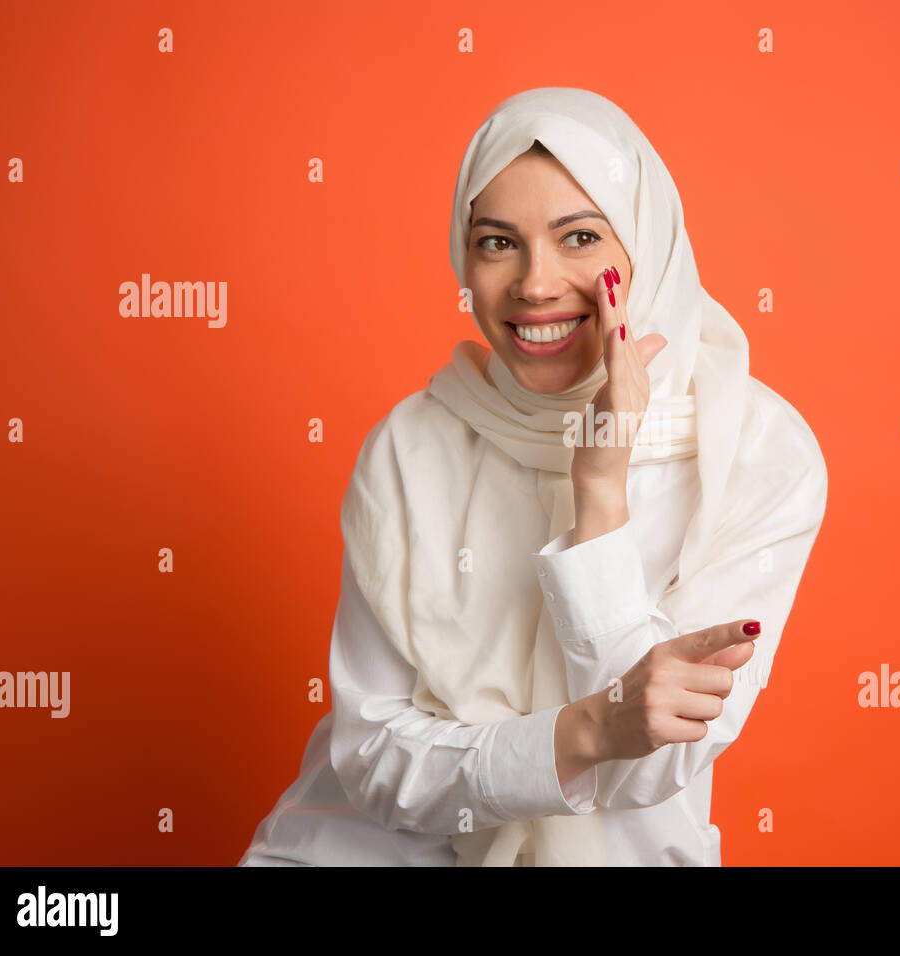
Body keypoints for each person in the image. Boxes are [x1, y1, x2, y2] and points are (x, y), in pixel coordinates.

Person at [238, 87, 827, 867]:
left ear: (644, 246)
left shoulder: (753, 448)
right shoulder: (411, 447)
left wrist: (601, 491)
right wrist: (581, 734)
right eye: (496, 242)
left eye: (580, 236)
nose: (535, 284)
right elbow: (375, 758)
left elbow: (649, 764)